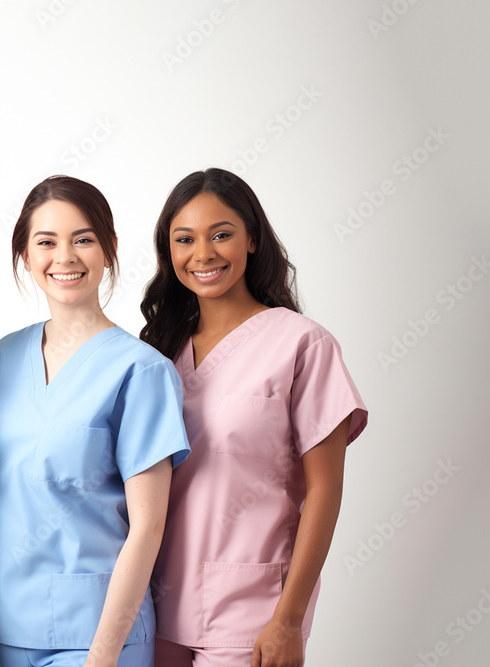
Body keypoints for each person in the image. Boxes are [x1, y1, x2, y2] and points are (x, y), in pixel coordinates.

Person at [141, 168, 368, 667]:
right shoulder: (157, 353)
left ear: (252, 239)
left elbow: (325, 491)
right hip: (153, 609)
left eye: (221, 234)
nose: (203, 254)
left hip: (253, 613)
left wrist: (288, 619)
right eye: (185, 239)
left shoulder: (302, 344)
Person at [0, 176, 191, 667]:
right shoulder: (2, 359)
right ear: (25, 255)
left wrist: (102, 655)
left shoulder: (141, 371)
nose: (65, 257)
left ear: (110, 248)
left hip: (97, 636)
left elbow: (148, 527)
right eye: (46, 242)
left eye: (83, 239)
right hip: (6, 628)